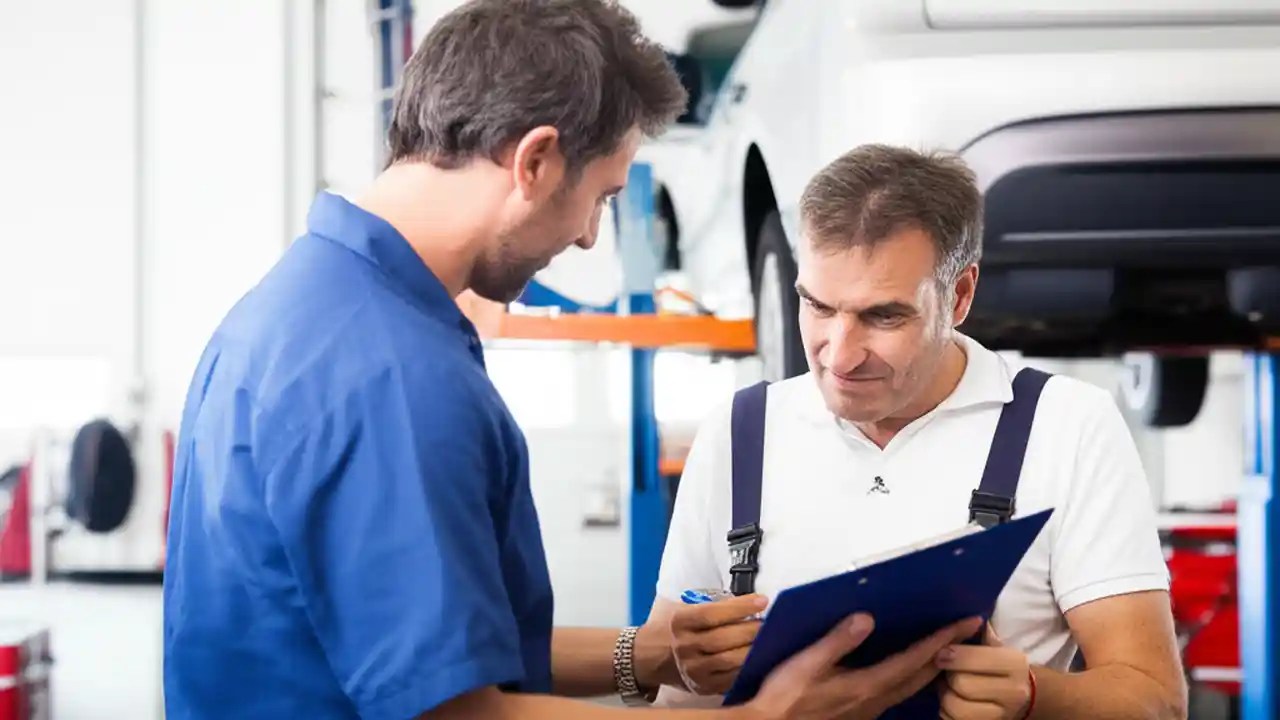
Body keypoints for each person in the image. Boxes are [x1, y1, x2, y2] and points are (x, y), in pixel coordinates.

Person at [161, 2, 984, 719]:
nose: (589, 234)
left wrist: (649, 652)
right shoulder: (394, 377)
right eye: (602, 195)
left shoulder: (299, 306)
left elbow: (421, 641)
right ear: (535, 161)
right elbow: (456, 715)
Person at [647, 145, 1190, 718]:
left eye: (883, 316)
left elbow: (1154, 700)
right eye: (818, 306)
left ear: (959, 296)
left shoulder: (1068, 425)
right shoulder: (738, 433)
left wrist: (1036, 696)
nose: (840, 354)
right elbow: (671, 686)